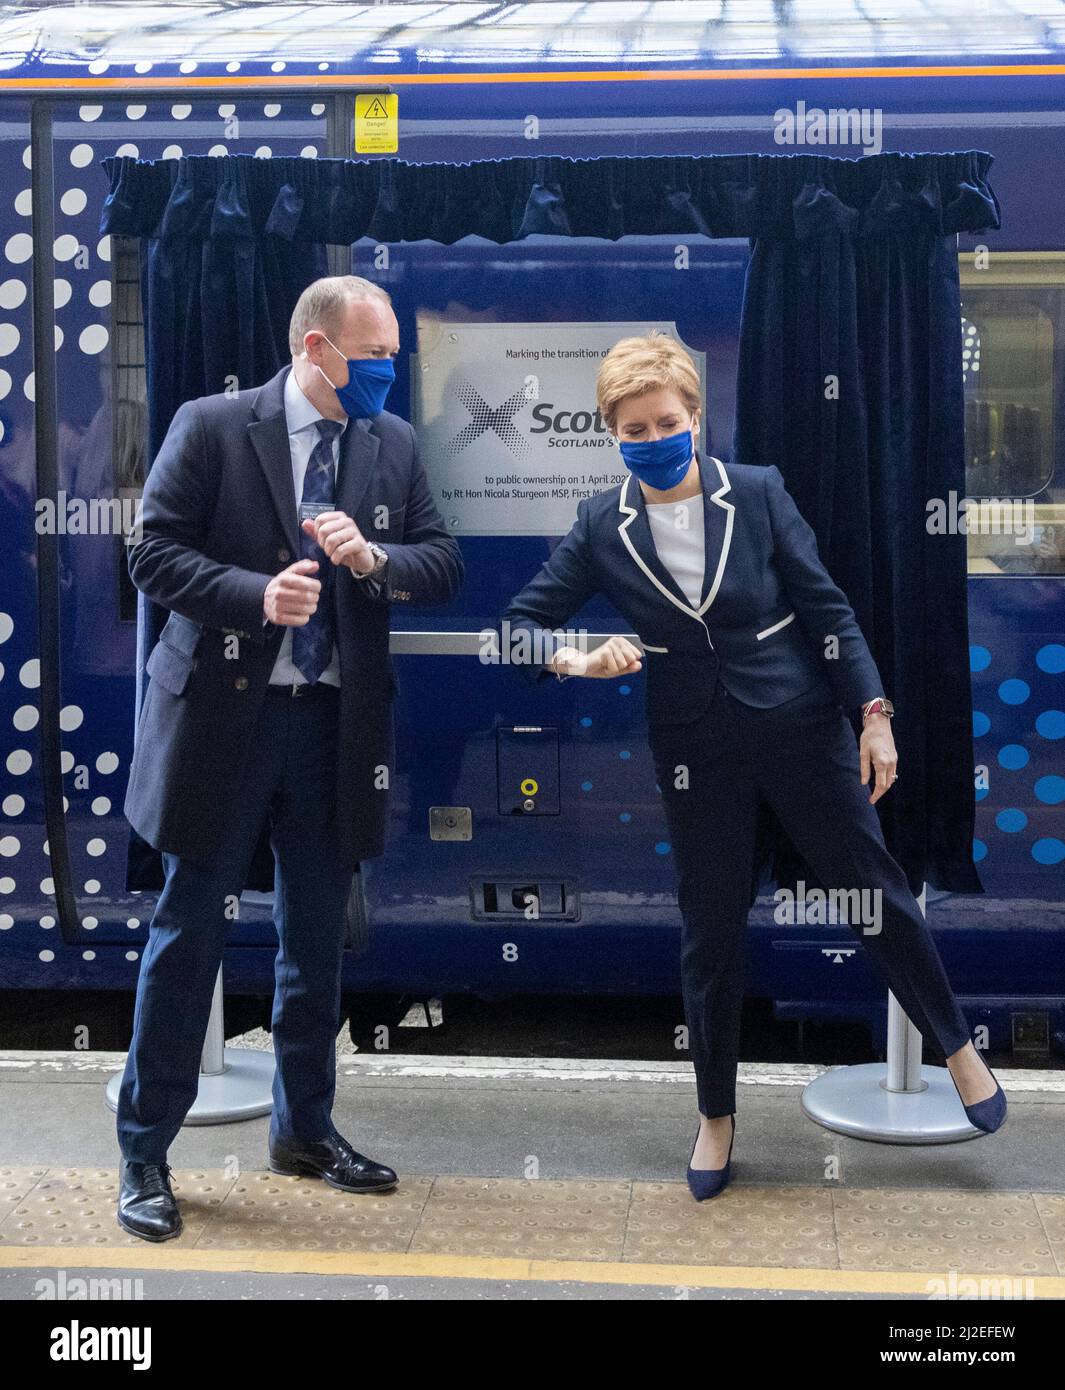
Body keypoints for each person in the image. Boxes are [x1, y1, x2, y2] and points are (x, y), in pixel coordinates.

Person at [501, 331, 1005, 1202]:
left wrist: (873, 716)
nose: (651, 437)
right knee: (710, 930)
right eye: (632, 428)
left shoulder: (759, 494)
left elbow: (828, 610)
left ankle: (956, 1050)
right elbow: (514, 630)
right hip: (695, 747)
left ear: (695, 419)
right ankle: (714, 1115)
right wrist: (574, 659)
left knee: (871, 893)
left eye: (666, 421)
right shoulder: (599, 524)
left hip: (800, 723)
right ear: (610, 434)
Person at [116, 276, 463, 1240]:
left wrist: (374, 562)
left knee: (316, 935)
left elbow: (444, 560)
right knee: (189, 934)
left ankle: (304, 1130)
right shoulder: (215, 423)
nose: (388, 370)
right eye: (374, 353)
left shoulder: (388, 444)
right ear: (316, 348)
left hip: (331, 727)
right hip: (223, 726)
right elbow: (150, 552)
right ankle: (145, 1152)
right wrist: (252, 595)